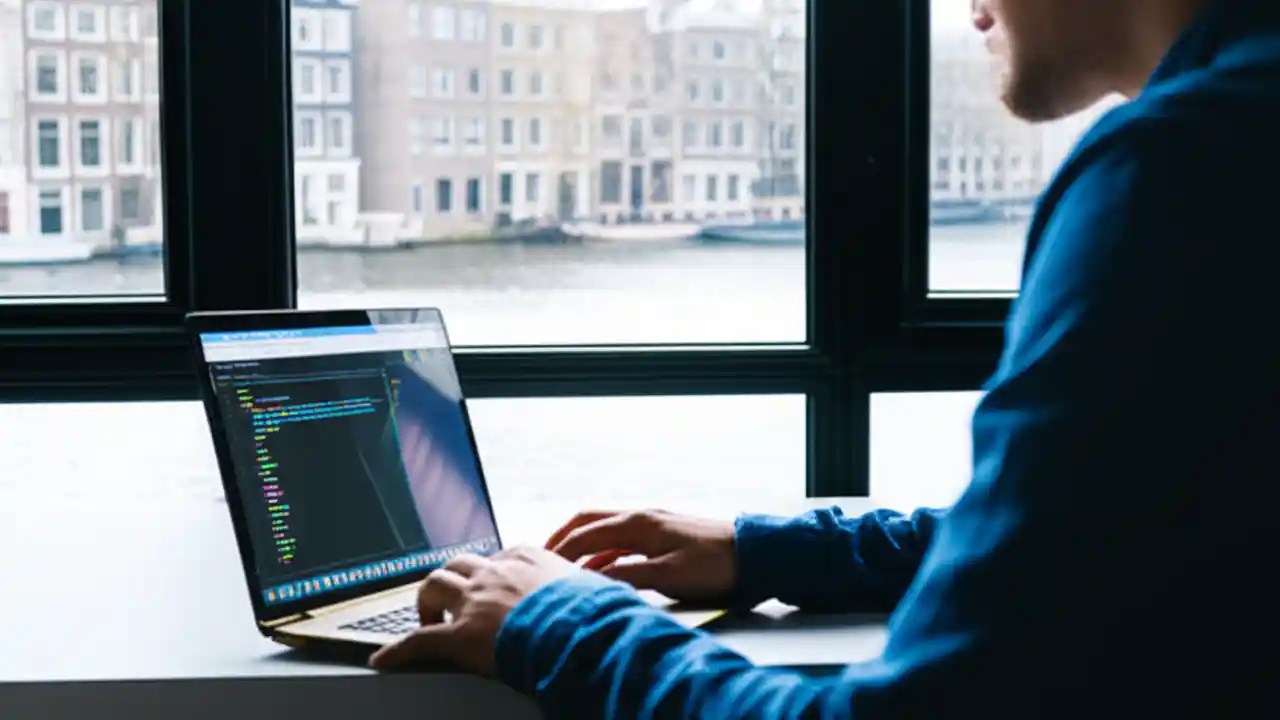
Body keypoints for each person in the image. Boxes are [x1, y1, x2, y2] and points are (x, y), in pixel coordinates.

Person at [369, 0, 1280, 716]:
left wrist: (560, 622)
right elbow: (1100, 534)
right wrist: (770, 552)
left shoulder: (1182, 173)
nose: (961, 7)